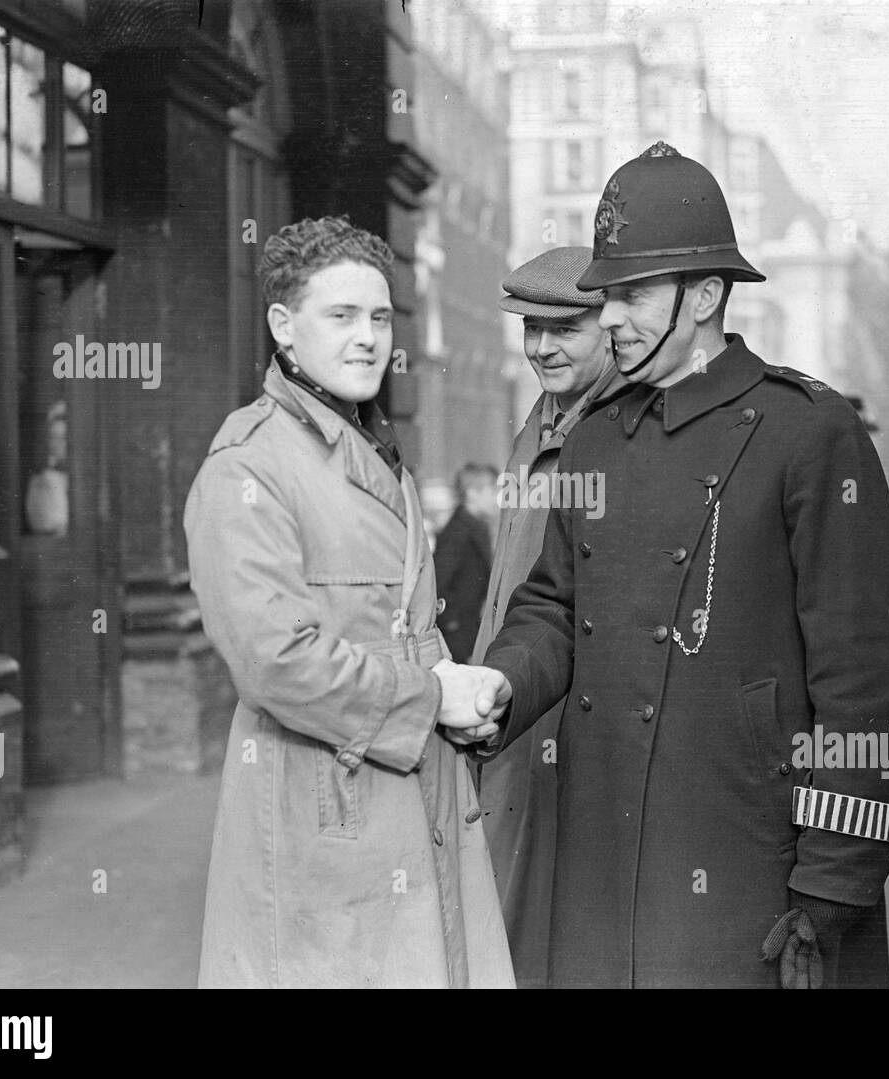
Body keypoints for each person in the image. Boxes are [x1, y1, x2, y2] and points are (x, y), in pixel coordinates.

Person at [473, 143, 889, 988]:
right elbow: (552, 606)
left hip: (754, 867)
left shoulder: (810, 431)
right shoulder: (596, 437)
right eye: (606, 297)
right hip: (601, 858)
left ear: (708, 294)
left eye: (634, 295)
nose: (610, 320)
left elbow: (869, 679)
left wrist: (831, 884)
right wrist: (501, 684)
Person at [184, 214, 514, 988]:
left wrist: (462, 702)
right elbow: (275, 661)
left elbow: (403, 626)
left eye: (378, 316)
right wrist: (434, 697)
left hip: (410, 796)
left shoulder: (369, 447)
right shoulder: (251, 467)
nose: (367, 337)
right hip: (320, 807)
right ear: (283, 327)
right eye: (340, 315)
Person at [470, 246, 627, 988]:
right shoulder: (540, 419)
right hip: (511, 714)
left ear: (611, 325)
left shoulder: (624, 429)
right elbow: (510, 581)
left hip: (571, 728)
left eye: (565, 328)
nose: (541, 347)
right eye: (532, 327)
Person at [433, 464, 498, 661]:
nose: (496, 497)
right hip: (460, 636)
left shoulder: (475, 526)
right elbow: (439, 580)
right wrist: (453, 625)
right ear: (472, 493)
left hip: (469, 631)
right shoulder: (458, 531)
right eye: (492, 489)